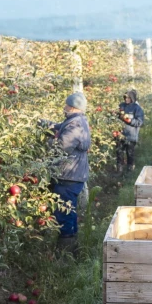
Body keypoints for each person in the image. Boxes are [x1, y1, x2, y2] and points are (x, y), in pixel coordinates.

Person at [48, 92, 92, 254]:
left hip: (68, 176)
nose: (64, 107)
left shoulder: (75, 125)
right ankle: (72, 247)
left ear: (73, 107)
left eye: (66, 105)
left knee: (64, 212)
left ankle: (65, 252)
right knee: (69, 210)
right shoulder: (76, 121)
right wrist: (45, 125)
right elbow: (60, 127)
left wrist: (47, 140)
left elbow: (61, 147)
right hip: (73, 175)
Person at [115, 88, 145, 175]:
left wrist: (130, 121)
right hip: (120, 134)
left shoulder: (137, 108)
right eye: (125, 98)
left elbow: (140, 122)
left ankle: (130, 172)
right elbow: (115, 118)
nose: (127, 99)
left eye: (129, 98)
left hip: (131, 135)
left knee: (130, 154)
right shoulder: (121, 106)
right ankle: (119, 172)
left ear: (133, 98)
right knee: (119, 153)